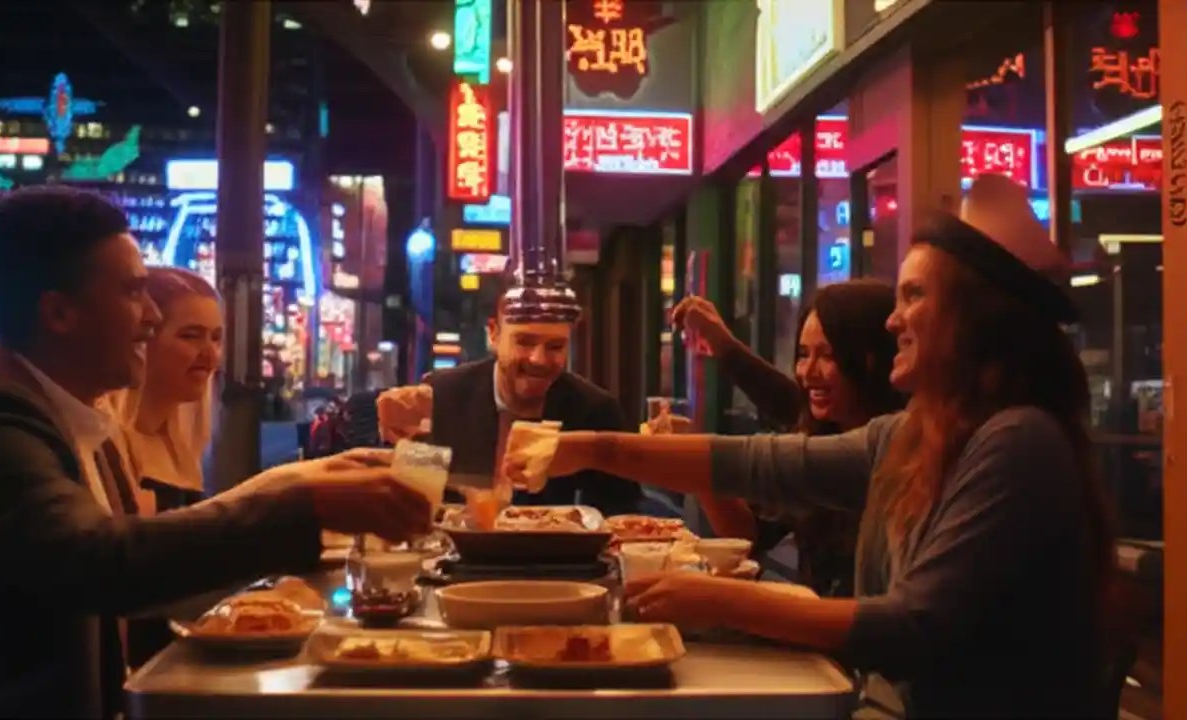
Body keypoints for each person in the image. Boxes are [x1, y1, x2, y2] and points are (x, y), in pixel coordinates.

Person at [507, 175, 1115, 717]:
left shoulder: (1018, 441)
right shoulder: (911, 433)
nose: (892, 320)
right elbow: (758, 462)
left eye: (913, 296)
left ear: (977, 317)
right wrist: (588, 447)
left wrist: (725, 599)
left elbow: (913, 626)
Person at [0, 187, 432, 719]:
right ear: (59, 313)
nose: (149, 317)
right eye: (133, 293)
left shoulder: (77, 423)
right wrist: (309, 505)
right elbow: (99, 562)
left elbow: (142, 591)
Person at [672, 281, 904, 596]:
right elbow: (747, 534)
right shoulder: (820, 433)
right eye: (803, 354)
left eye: (828, 355)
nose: (808, 372)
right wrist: (688, 461)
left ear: (872, 359)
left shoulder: (900, 452)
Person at [377, 286, 642, 516]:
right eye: (525, 342)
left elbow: (621, 518)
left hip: (555, 569)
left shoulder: (596, 411)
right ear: (494, 334)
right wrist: (394, 434)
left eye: (555, 347)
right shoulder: (443, 395)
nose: (538, 359)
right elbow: (410, 503)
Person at [109, 266, 222, 513]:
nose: (210, 354)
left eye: (216, 338)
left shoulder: (182, 446)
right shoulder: (106, 444)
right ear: (143, 339)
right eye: (190, 336)